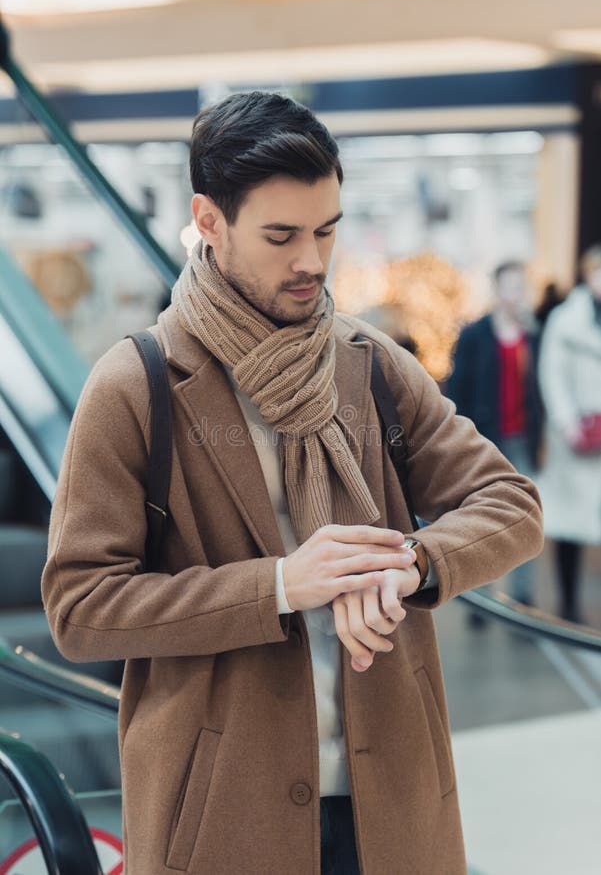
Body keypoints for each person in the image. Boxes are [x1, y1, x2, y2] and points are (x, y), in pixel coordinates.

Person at [41, 92, 543, 875]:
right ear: (209, 221)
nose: (311, 259)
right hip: (220, 810)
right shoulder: (135, 385)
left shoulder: (368, 363)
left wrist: (407, 561)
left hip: (392, 802)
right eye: (281, 235)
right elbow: (81, 607)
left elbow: (509, 503)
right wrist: (278, 584)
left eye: (326, 230)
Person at [446, 261, 543, 608]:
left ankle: (523, 598)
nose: (515, 294)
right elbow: (457, 389)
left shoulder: (533, 335)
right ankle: (484, 596)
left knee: (526, 515)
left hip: (522, 438)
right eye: (509, 286)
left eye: (521, 286)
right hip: (486, 438)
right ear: (497, 289)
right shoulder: (475, 334)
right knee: (484, 518)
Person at [536, 245, 601, 622]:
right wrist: (567, 423)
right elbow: (552, 375)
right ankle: (569, 600)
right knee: (571, 524)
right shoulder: (566, 319)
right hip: (575, 437)